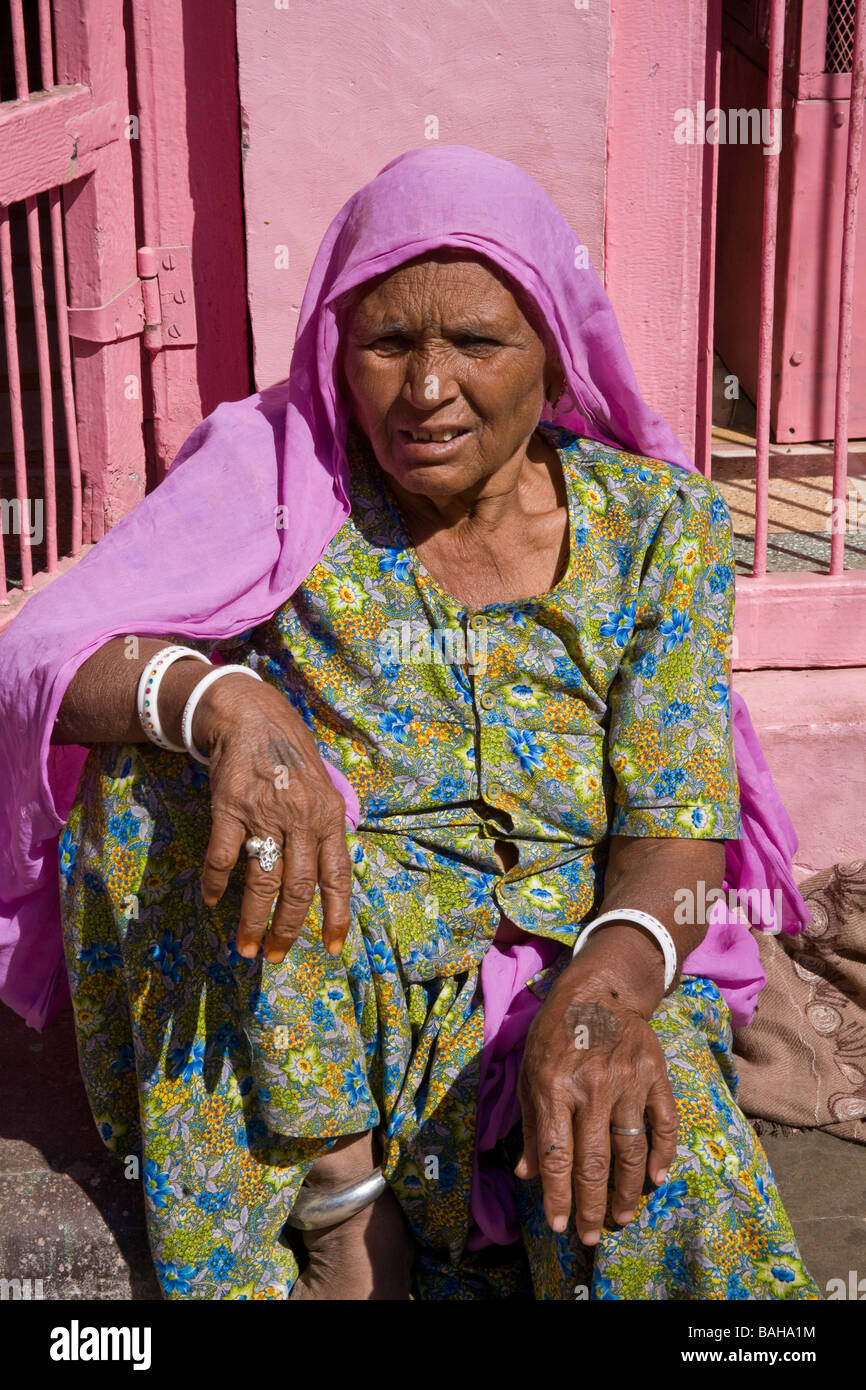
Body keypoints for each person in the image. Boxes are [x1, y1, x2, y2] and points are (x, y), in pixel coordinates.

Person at [0, 146, 819, 1301]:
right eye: (387, 344)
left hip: (571, 957)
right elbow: (49, 655)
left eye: (476, 343)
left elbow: (679, 829)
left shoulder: (656, 527)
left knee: (657, 1184)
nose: (426, 389)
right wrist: (226, 699)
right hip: (320, 985)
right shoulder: (284, 475)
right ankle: (335, 1206)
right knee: (151, 764)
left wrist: (596, 996)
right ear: (341, 349)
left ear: (552, 355)